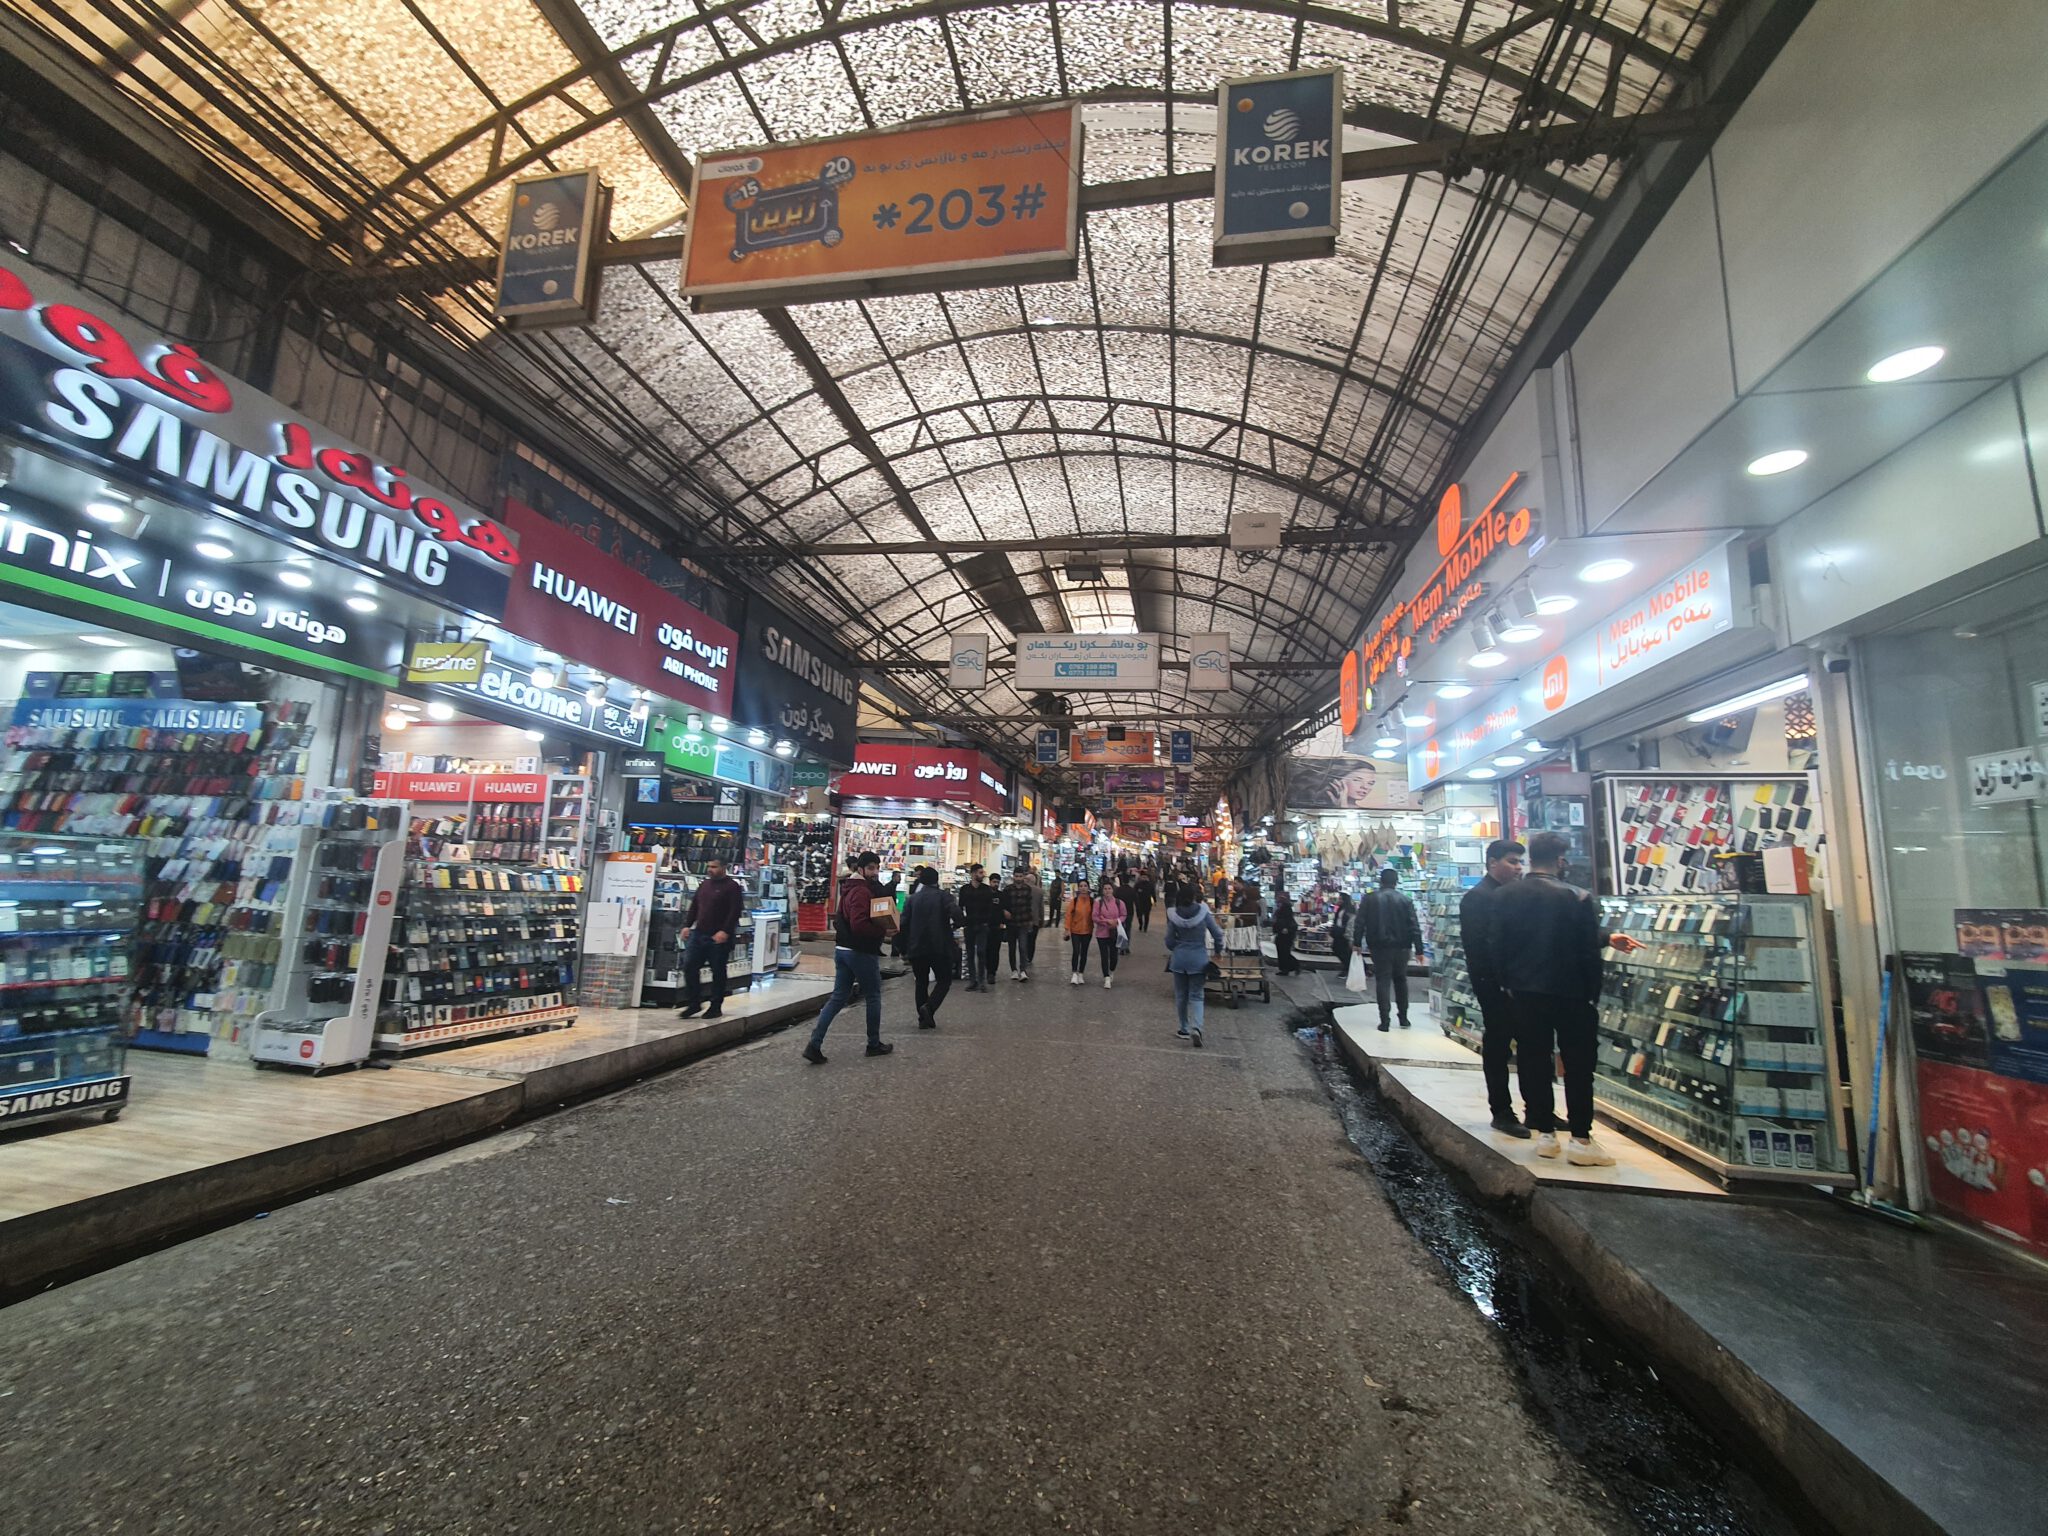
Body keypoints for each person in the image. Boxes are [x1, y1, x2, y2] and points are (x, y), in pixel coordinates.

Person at [1490, 829, 1616, 1165]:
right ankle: (1580, 1138)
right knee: (1577, 1066)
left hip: (1526, 993)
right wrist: (1593, 994)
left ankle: (1545, 1134)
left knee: (1533, 1061)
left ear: (1531, 857)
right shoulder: (1578, 897)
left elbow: (1496, 949)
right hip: (1572, 993)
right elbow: (1589, 951)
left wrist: (1508, 985)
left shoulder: (1504, 897)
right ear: (1561, 860)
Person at [1463, 838, 1531, 1138]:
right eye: (1512, 862)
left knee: (1532, 1046)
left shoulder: (1514, 895)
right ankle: (1501, 1111)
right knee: (1499, 1047)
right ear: (1492, 863)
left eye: (1520, 862)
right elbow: (1480, 949)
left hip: (1521, 984)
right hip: (1496, 987)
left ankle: (1538, 1109)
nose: (1518, 868)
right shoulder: (1478, 898)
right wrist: (1499, 985)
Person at [802, 849, 894, 1063]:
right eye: (871, 868)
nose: (875, 872)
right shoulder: (862, 892)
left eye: (877, 868)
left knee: (838, 997)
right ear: (861, 869)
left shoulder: (849, 888)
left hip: (842, 950)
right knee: (873, 996)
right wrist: (883, 931)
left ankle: (814, 1044)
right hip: (859, 951)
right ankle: (873, 1043)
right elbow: (859, 925)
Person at [1353, 867, 1422, 1031]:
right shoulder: (1405, 900)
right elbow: (1414, 926)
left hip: (1379, 946)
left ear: (1381, 881)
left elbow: (1360, 922)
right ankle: (1403, 1018)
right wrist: (1419, 949)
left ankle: (1385, 1021)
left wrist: (1357, 942)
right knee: (1401, 980)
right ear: (1396, 882)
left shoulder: (1370, 899)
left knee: (1382, 980)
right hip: (1402, 947)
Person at [677, 856, 743, 1020]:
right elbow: (695, 906)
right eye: (709, 866)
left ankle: (715, 1006)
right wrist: (687, 925)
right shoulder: (704, 885)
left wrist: (725, 931)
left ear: (724, 868)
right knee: (690, 966)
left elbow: (735, 911)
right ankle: (694, 1002)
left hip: (719, 936)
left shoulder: (732, 887)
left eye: (714, 866)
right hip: (699, 933)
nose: (710, 869)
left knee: (718, 971)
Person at [1164, 885, 1226, 1046]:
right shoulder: (1203, 913)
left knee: (1181, 995)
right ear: (1194, 896)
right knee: (1197, 995)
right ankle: (1196, 1028)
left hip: (1179, 959)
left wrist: (1176, 948)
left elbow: (1169, 940)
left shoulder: (1174, 914)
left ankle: (1183, 1028)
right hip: (1198, 959)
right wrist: (1218, 951)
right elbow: (1218, 934)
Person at [901, 866, 959, 1029]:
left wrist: (903, 948)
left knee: (921, 982)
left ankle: (923, 1019)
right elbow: (957, 915)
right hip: (939, 947)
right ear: (936, 880)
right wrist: (954, 927)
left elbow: (903, 924)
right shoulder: (944, 897)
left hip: (917, 947)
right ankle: (929, 1007)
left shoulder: (912, 899)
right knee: (944, 980)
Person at [959, 863, 1000, 992]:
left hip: (982, 925)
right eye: (980, 873)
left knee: (982, 952)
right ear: (973, 874)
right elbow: (960, 906)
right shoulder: (965, 889)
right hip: (970, 925)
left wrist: (987, 921)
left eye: (983, 873)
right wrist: (962, 921)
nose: (982, 875)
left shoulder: (986, 890)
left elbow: (990, 908)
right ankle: (973, 980)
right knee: (970, 953)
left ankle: (982, 980)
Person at [1003, 864, 1043, 981]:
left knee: (1023, 947)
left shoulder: (1027, 889)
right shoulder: (1008, 889)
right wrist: (1005, 913)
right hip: (1011, 924)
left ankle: (1023, 970)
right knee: (1012, 948)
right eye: (1017, 876)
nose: (1018, 878)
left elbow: (1029, 907)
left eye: (1020, 876)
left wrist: (1031, 921)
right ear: (1013, 877)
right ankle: (1014, 970)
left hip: (1023, 923)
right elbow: (1004, 904)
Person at [1091, 876, 1128, 990]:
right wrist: (1106, 921)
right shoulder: (1098, 902)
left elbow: (1124, 915)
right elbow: (1095, 916)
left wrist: (1116, 922)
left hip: (1114, 933)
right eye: (1105, 889)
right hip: (1102, 933)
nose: (1107, 891)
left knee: (1113, 955)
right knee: (1104, 955)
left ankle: (1111, 970)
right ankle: (1106, 977)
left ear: (1113, 890)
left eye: (1109, 889)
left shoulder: (1119, 903)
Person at [1063, 878, 1095, 984]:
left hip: (1088, 931)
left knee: (1084, 952)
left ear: (1088, 888)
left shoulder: (1092, 901)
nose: (1083, 888)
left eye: (1085, 886)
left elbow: (1095, 915)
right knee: (1076, 951)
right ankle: (1074, 973)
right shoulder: (1075, 901)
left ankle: (1081, 973)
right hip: (1075, 930)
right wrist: (1067, 929)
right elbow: (1068, 915)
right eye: (1081, 886)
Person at [1271, 889, 1299, 975]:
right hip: (1282, 932)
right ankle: (1288, 967)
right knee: (1283, 951)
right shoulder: (1281, 907)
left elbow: (1286, 919)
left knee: (1284, 951)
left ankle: (1288, 968)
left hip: (1286, 932)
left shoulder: (1285, 907)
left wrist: (1285, 928)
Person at [1330, 892, 1356, 978]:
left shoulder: (1350, 909)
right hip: (1339, 932)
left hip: (1345, 933)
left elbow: (1351, 923)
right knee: (1339, 950)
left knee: (1345, 952)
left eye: (1341, 899)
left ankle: (1347, 969)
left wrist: (1349, 935)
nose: (1339, 900)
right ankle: (1364, 969)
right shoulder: (1341, 908)